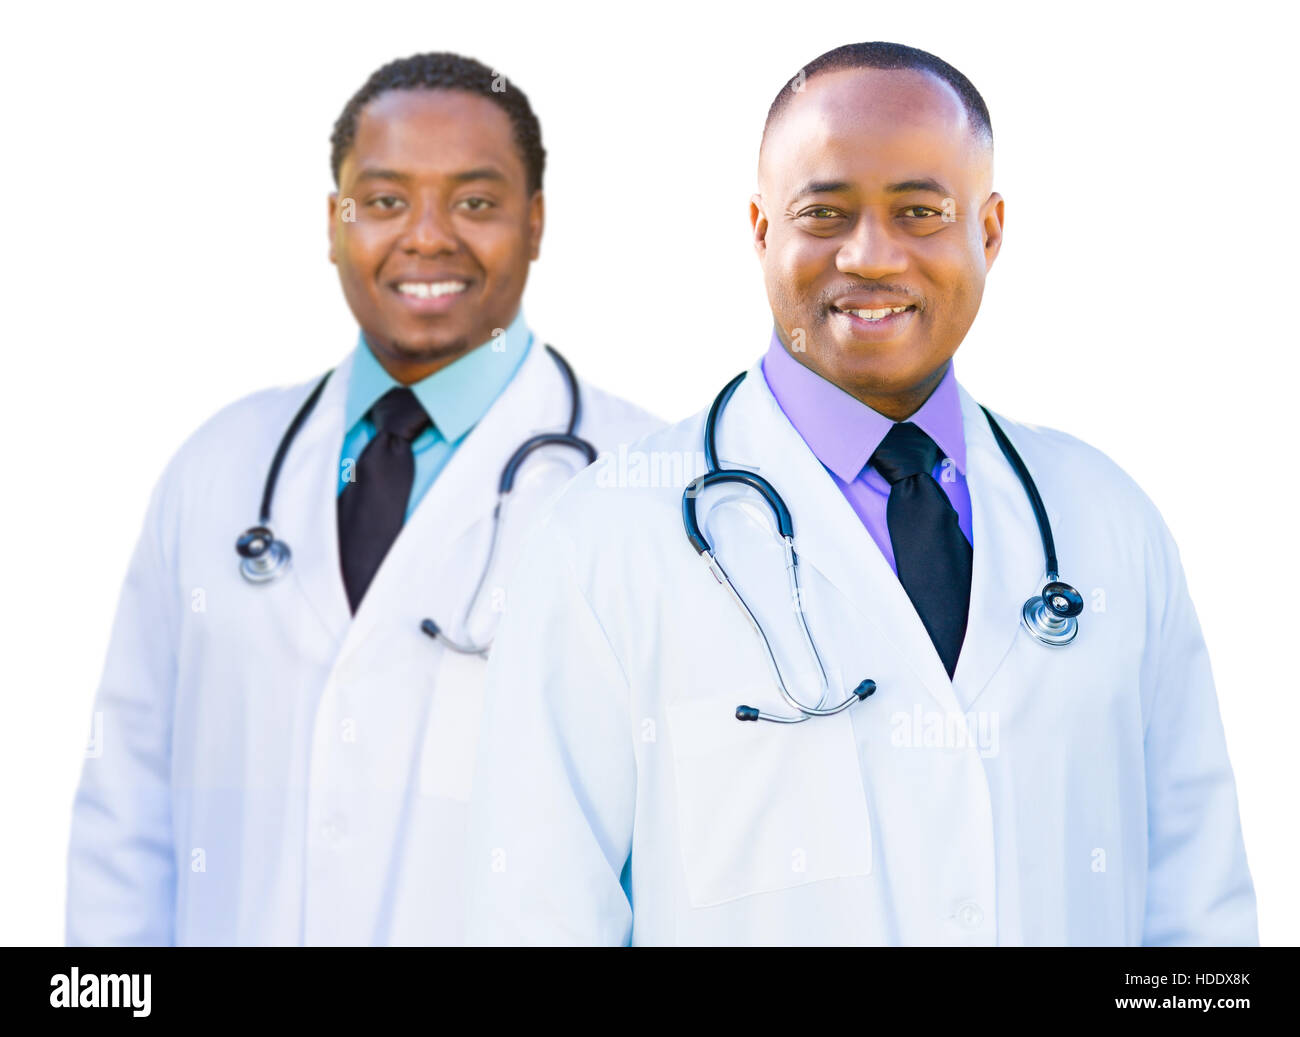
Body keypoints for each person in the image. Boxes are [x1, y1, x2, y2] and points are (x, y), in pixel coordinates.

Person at [464, 42, 1257, 945]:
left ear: (989, 231)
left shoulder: (1110, 526)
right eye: (824, 212)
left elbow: (1200, 917)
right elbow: (535, 917)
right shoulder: (604, 543)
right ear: (762, 230)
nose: (872, 255)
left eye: (920, 211)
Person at [66, 51, 662, 945]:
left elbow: (692, 851)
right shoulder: (217, 469)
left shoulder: (644, 485)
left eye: (475, 201)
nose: (426, 237)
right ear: (334, 224)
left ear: (536, 223)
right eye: (384, 200)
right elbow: (126, 811)